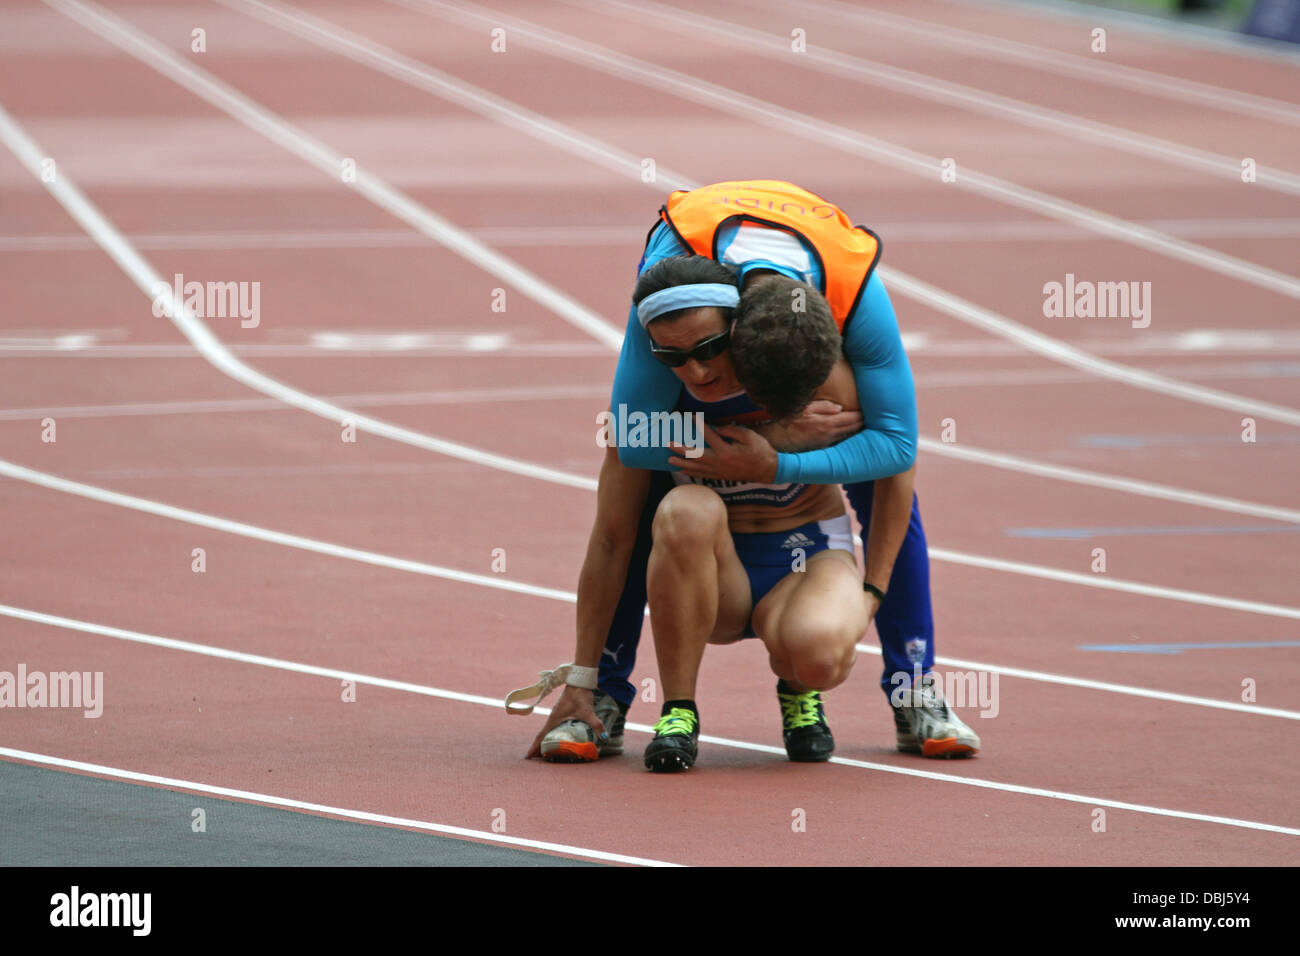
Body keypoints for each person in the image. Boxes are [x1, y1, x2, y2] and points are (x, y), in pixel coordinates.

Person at [524, 181, 979, 763]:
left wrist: (864, 584)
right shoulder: (677, 313)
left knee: (879, 467)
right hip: (713, 533)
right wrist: (775, 436)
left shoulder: (857, 296)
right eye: (679, 360)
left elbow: (897, 448)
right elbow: (629, 441)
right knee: (656, 499)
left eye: (714, 366)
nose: (696, 372)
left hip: (804, 541)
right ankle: (606, 697)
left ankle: (914, 687)